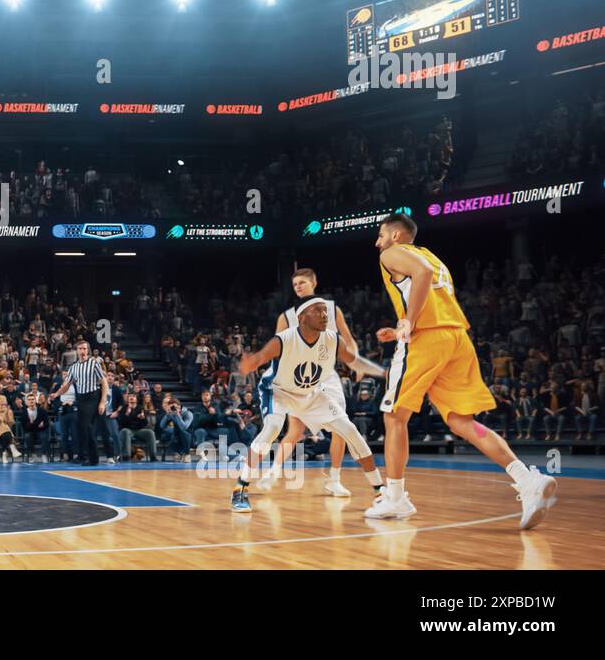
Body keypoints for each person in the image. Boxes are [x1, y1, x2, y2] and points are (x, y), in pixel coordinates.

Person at [372, 213, 555, 528]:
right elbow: (429, 285)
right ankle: (526, 480)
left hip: (426, 340)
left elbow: (422, 274)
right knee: (460, 422)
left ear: (396, 236)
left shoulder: (394, 255)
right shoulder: (431, 255)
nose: (378, 242)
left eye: (381, 235)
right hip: (456, 339)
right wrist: (402, 322)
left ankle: (396, 498)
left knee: (394, 416)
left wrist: (409, 321)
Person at [233, 297, 388, 513]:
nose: (325, 315)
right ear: (302, 317)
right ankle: (240, 488)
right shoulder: (283, 340)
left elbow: (354, 361)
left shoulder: (333, 340)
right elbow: (259, 358)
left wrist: (382, 372)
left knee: (350, 431)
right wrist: (250, 364)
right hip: (278, 391)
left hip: (310, 394)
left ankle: (380, 491)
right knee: (272, 429)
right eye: (318, 310)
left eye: (326, 310)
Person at [255, 268, 371, 497]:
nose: (298, 287)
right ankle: (273, 471)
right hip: (298, 378)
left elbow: (348, 339)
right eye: (295, 284)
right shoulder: (286, 317)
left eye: (302, 283)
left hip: (326, 375)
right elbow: (278, 352)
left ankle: (334, 480)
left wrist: (356, 363)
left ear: (314, 283)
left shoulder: (331, 309)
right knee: (295, 429)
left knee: (341, 428)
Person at [50, 340, 108, 466]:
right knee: (82, 428)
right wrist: (57, 394)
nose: (82, 351)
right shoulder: (74, 367)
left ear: (88, 350)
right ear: (77, 351)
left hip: (93, 397)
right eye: (80, 348)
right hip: (81, 398)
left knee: (87, 426)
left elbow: (104, 382)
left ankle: (93, 458)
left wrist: (102, 402)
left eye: (84, 348)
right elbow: (66, 385)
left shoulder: (94, 363)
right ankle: (84, 456)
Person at [116, 391, 158, 461]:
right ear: (128, 399)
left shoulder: (140, 408)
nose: (132, 397)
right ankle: (126, 456)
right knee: (125, 431)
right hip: (128, 429)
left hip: (139, 430)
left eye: (133, 396)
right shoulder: (123, 408)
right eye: (130, 396)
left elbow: (145, 423)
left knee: (150, 432)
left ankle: (153, 456)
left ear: (136, 399)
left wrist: (143, 418)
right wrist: (127, 414)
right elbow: (121, 423)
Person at [0, 393, 22, 463]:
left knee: (5, 429)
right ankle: (13, 448)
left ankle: (4, 453)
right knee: (3, 426)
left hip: (7, 432)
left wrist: (6, 414)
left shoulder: (9, 411)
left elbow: (11, 423)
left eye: (1, 400)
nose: (0, 402)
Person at [18, 391, 50, 462]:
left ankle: (44, 455)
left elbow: (47, 423)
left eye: (33, 399)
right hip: (30, 431)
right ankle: (32, 454)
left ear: (35, 400)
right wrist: (31, 423)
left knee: (44, 436)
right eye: (29, 400)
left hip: (40, 430)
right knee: (27, 436)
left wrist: (43, 424)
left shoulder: (41, 410)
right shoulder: (24, 413)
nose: (31, 401)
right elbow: (24, 427)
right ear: (26, 402)